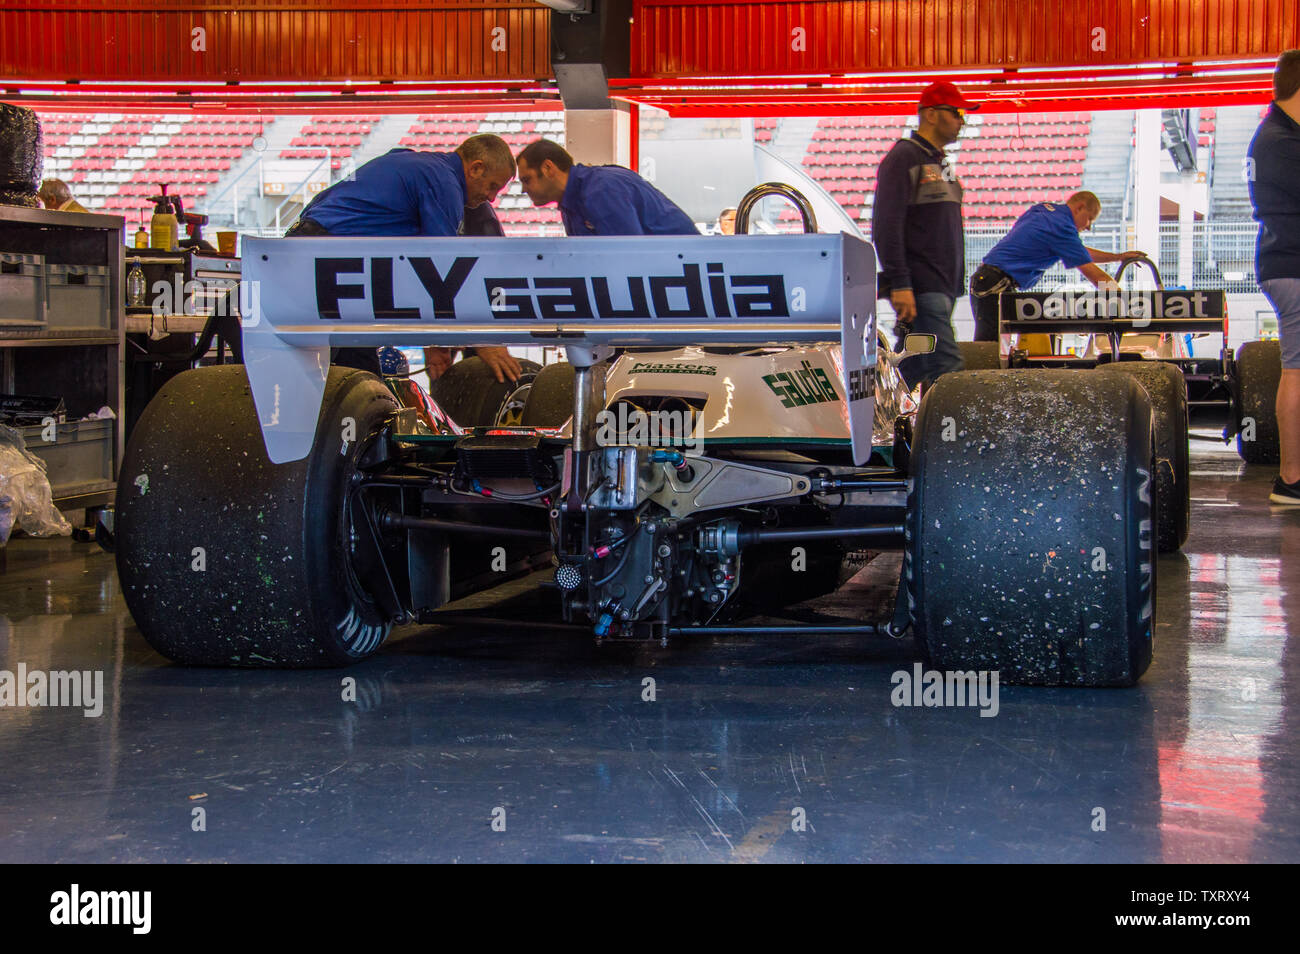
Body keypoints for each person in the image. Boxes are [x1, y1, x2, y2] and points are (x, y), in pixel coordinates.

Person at [285, 134, 520, 383]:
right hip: (321, 261)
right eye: (493, 186)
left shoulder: (415, 162)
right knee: (346, 380)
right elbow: (441, 271)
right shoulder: (443, 182)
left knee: (353, 372)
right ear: (476, 168)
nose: (492, 198)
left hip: (307, 253)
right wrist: (480, 340)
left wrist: (437, 338)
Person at [871, 81, 976, 388]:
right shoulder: (905, 157)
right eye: (956, 112)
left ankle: (904, 428)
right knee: (947, 369)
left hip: (940, 287)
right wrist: (901, 283)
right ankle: (951, 437)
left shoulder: (936, 161)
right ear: (931, 115)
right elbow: (886, 225)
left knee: (918, 368)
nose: (962, 121)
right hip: (922, 286)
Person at [969, 192, 1151, 341]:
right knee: (990, 349)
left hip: (988, 279)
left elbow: (1077, 250)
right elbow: (1098, 278)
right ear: (1080, 208)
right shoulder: (1061, 228)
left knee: (993, 345)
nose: (1088, 227)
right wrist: (1125, 307)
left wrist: (1117, 258)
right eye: (1090, 219)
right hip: (995, 284)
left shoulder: (1045, 212)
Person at [1248, 49, 1300, 505]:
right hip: (1292, 265)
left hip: (1287, 263)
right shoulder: (1279, 141)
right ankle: (1291, 478)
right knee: (1297, 370)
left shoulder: (1282, 135)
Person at [514, 139, 698, 236]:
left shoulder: (601, 190)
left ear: (548, 168)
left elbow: (627, 259)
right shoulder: (570, 202)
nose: (523, 189)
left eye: (526, 179)